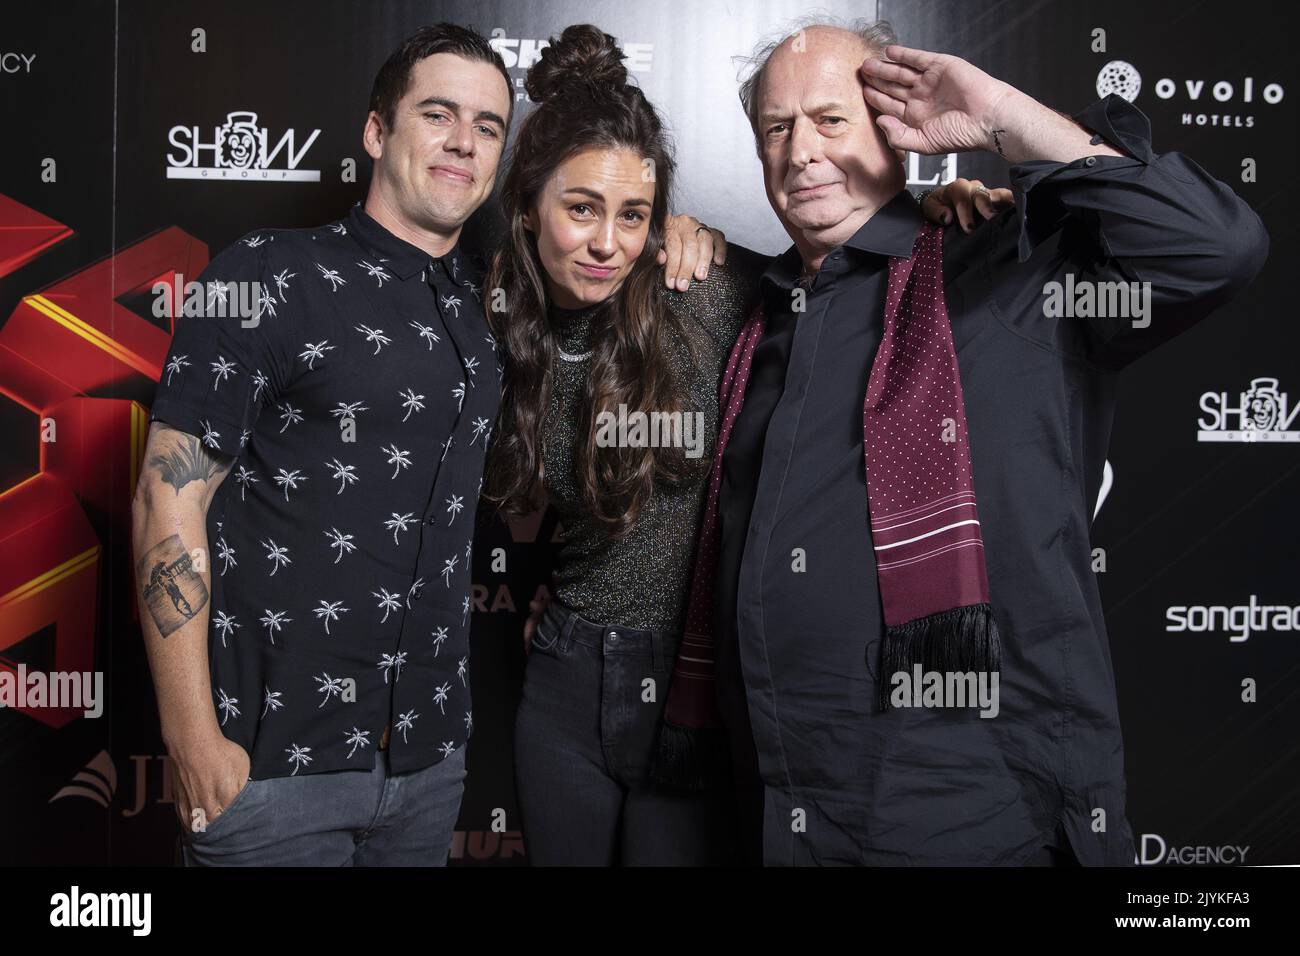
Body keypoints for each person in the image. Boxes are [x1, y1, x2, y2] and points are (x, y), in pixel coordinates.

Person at [133, 21, 745, 868]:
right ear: (377, 130)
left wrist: (684, 232)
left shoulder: (499, 304)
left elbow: (608, 248)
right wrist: (192, 735)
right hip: (270, 766)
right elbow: (168, 496)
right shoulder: (263, 274)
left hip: (426, 768)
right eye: (437, 114)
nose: (463, 140)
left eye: (488, 125)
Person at [659, 17, 1269, 866]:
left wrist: (1007, 115)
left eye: (831, 120)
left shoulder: (1013, 268)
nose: (800, 152)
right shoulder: (753, 317)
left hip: (976, 818)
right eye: (776, 127)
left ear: (894, 126)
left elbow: (1216, 249)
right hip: (776, 810)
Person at [483, 24, 1007, 866]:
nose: (607, 241)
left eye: (634, 214)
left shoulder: (711, 294)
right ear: (529, 207)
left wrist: (933, 219)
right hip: (565, 676)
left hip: (694, 681)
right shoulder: (499, 338)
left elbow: (848, 273)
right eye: (580, 209)